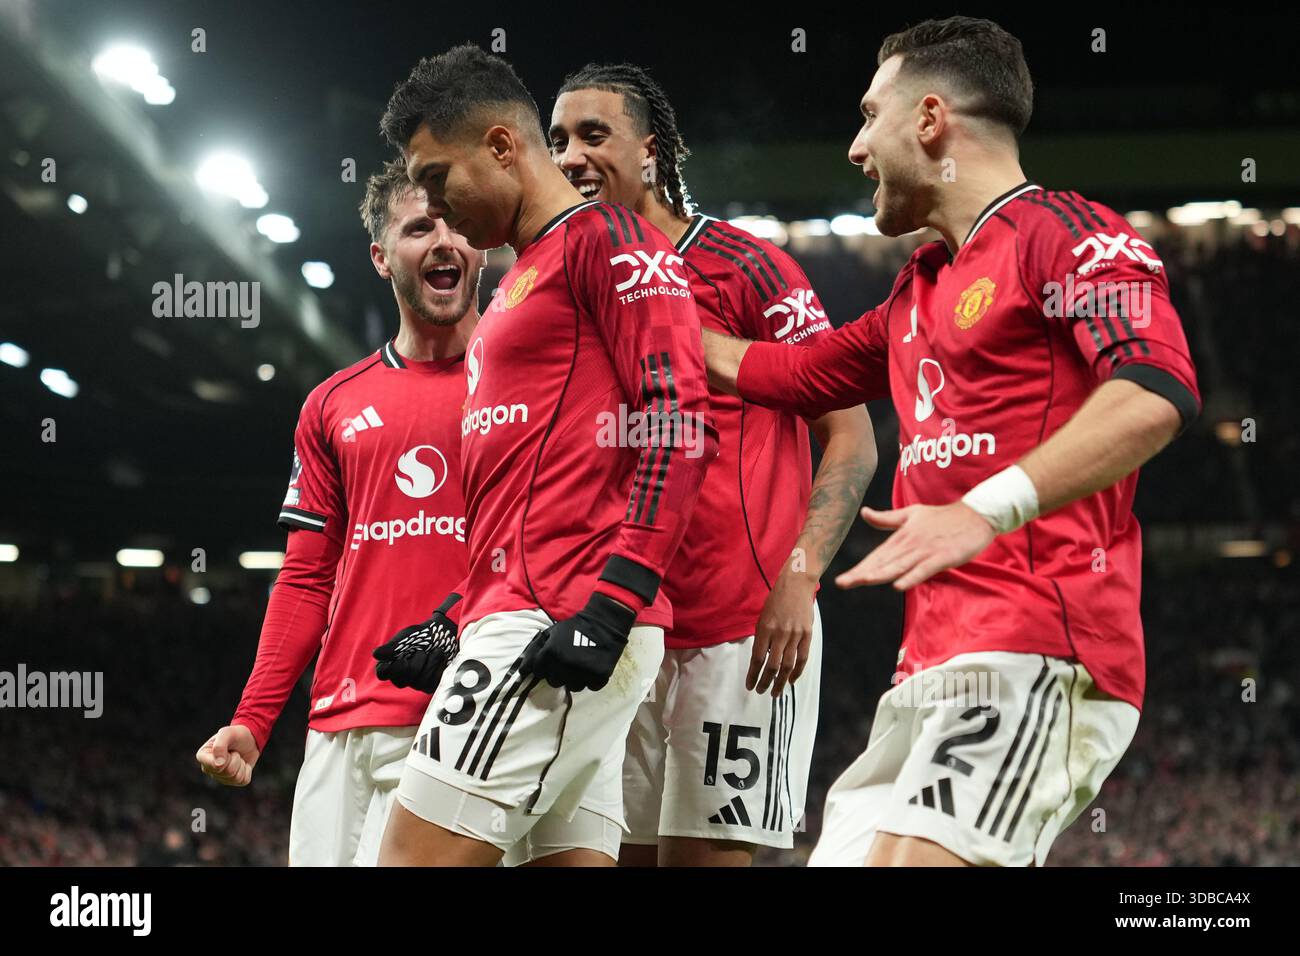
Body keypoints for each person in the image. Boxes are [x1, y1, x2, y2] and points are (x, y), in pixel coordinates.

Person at [703, 16, 1201, 866]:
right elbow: (780, 374)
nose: (856, 147)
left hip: (1040, 648)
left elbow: (1156, 391)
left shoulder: (1065, 232)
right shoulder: (918, 289)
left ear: (929, 119)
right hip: (927, 670)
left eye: (869, 115)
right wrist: (622, 296)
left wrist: (985, 508)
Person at [375, 44, 717, 867]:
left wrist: (613, 603)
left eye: (435, 179)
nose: (435, 207)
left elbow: (677, 421)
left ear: (500, 146)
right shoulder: (524, 279)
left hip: (559, 623)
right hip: (522, 611)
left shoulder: (616, 244)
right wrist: (457, 613)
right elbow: (536, 485)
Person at [548, 63, 877, 866]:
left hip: (737, 632)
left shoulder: (744, 266)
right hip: (619, 626)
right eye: (556, 140)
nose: (569, 157)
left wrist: (799, 577)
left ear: (652, 152)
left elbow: (852, 436)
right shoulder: (570, 283)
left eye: (595, 135)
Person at [194, 158, 482, 866]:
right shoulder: (332, 404)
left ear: (485, 245)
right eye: (420, 227)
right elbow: (305, 578)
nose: (443, 241)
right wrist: (253, 721)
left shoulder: (527, 388)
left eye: (458, 225)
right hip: (339, 721)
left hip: (462, 716)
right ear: (383, 257)